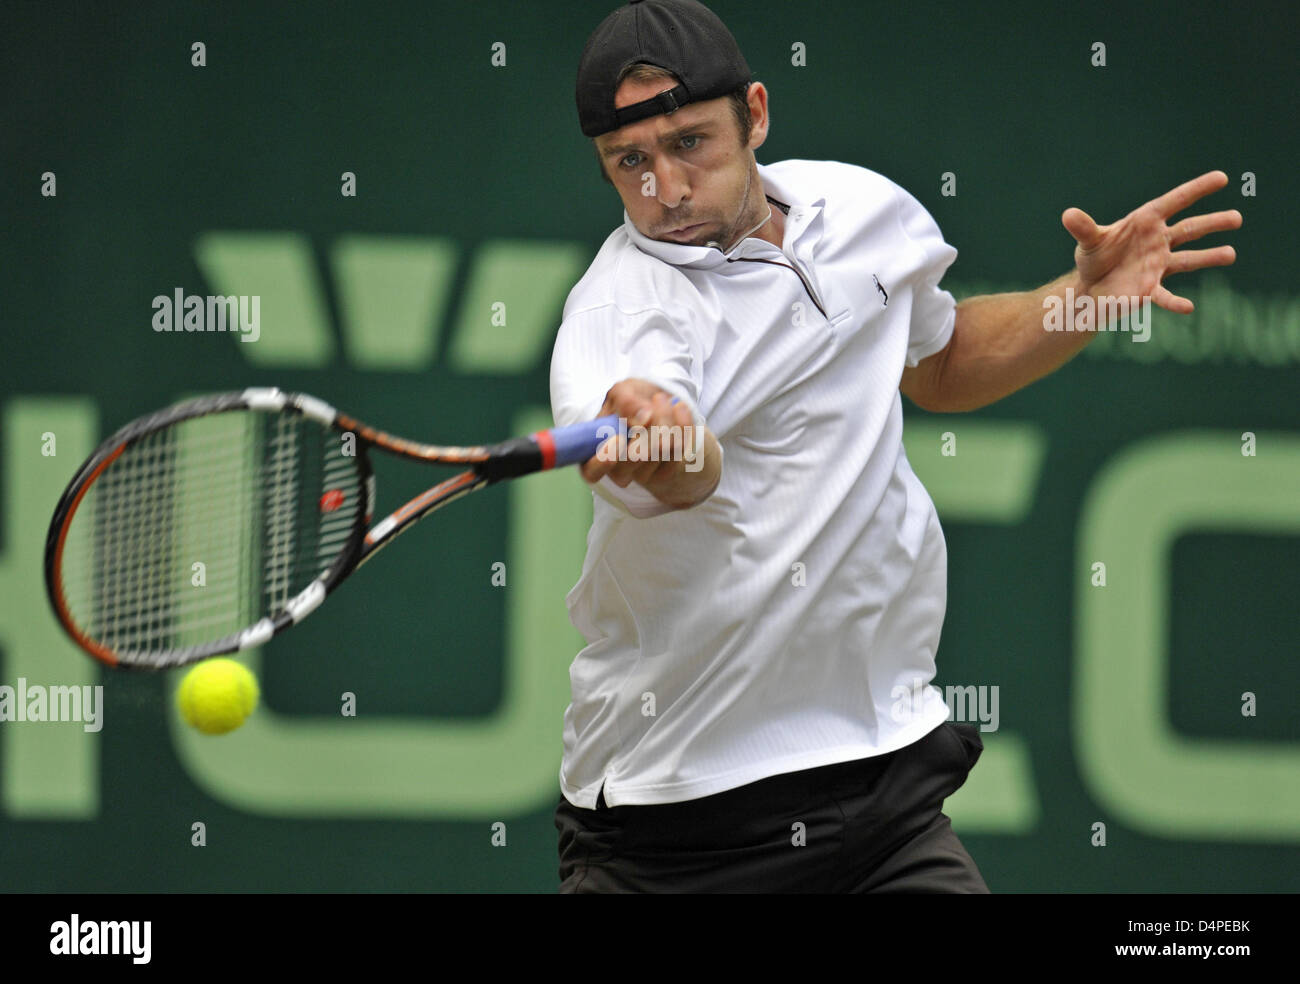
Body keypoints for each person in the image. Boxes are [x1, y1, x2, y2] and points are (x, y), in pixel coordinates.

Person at [549, 0, 1240, 893]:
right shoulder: (617, 316)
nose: (667, 190)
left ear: (755, 114)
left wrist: (1084, 300)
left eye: (690, 143)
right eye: (631, 162)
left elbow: (940, 361)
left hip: (883, 789)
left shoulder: (863, 211)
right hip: (675, 826)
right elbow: (685, 475)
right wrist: (668, 441)